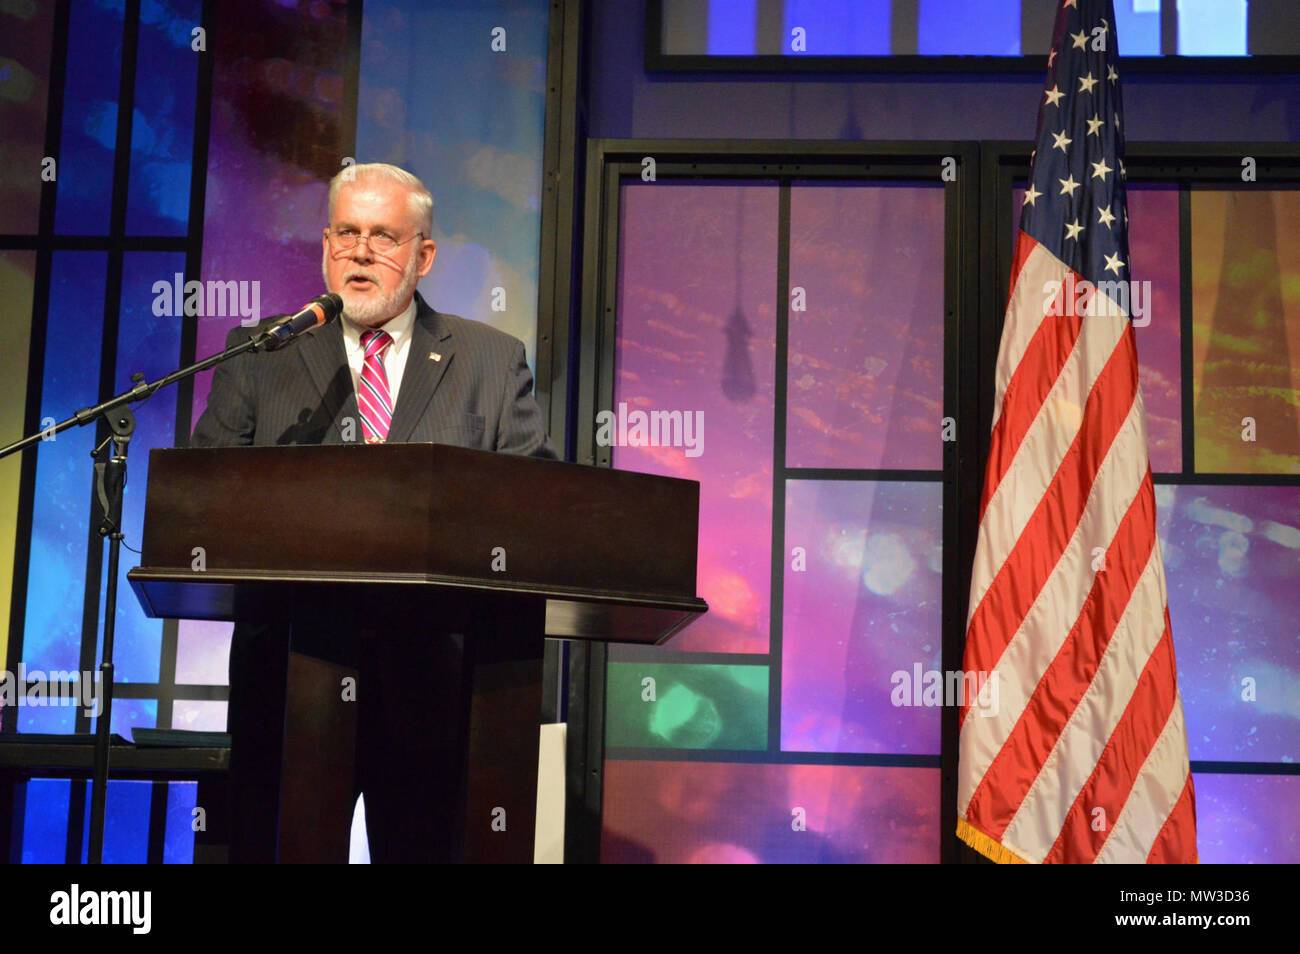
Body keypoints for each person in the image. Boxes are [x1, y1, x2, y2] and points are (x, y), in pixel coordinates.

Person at [191, 162, 556, 861]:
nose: (360, 252)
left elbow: (530, 510)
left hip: (433, 689)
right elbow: (210, 501)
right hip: (289, 681)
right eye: (346, 233)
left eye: (383, 236)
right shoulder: (264, 352)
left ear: (424, 256)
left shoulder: (490, 360)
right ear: (325, 243)